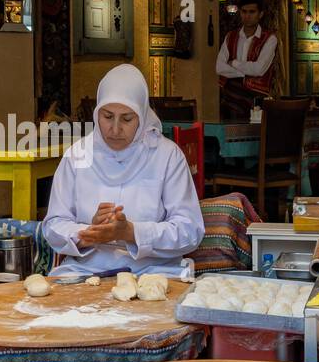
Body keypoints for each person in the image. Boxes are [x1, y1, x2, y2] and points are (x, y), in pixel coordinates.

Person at [43, 64, 204, 278]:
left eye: (127, 119)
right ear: (96, 113)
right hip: (86, 271)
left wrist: (131, 232)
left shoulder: (167, 156)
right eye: (107, 116)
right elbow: (53, 225)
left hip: (153, 272)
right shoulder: (77, 156)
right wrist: (89, 234)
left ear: (142, 117)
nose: (115, 129)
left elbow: (190, 230)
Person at [216, 0, 279, 119]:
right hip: (231, 94)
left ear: (260, 14)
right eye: (244, 12)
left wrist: (233, 63)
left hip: (256, 95)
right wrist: (246, 72)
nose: (247, 16)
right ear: (240, 13)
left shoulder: (269, 38)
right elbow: (219, 68)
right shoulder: (231, 36)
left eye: (252, 12)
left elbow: (259, 69)